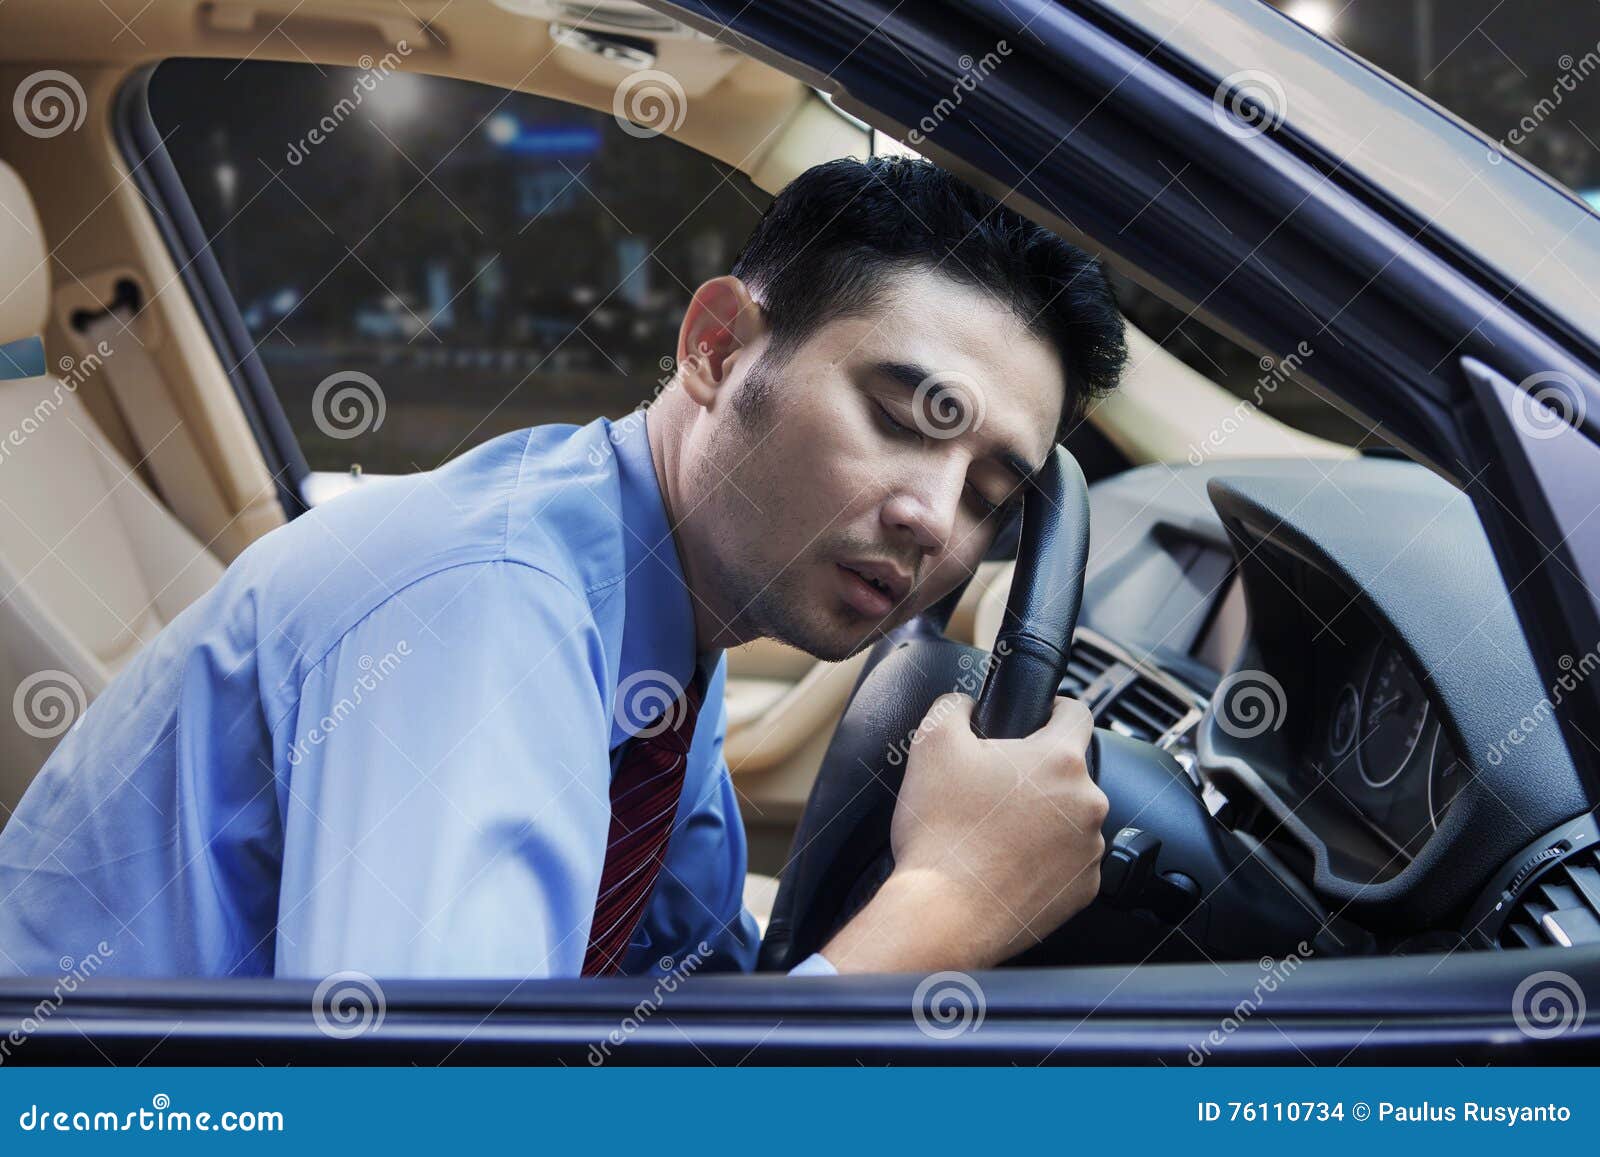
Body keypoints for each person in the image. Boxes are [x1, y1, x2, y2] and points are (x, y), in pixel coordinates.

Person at [0, 156, 1122, 980]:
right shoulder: (484, 606)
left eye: (989, 497)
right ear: (718, 348)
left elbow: (670, 972)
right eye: (897, 417)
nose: (935, 519)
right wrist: (944, 905)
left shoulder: (664, 593)